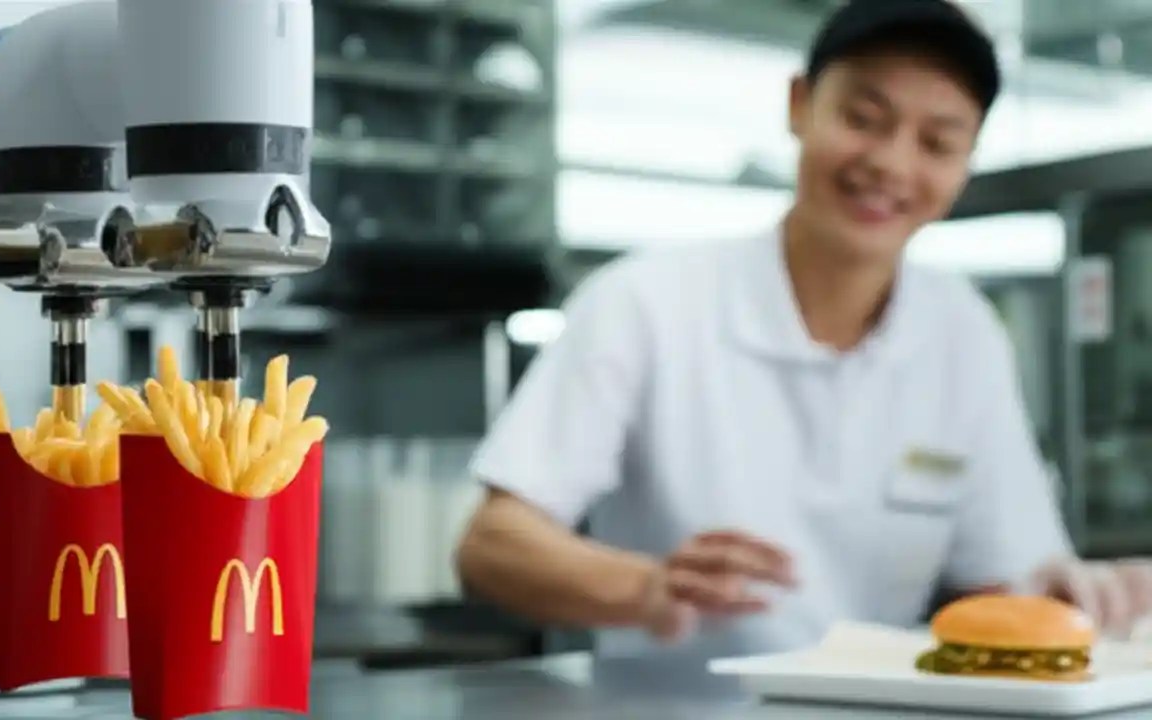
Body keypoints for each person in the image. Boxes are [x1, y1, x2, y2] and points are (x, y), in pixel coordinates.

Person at [454, 0, 1152, 660]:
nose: (891, 163)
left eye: (937, 142)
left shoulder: (963, 334)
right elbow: (492, 546)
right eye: (864, 117)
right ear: (799, 106)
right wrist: (648, 588)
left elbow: (1009, 576)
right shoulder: (645, 302)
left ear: (966, 163)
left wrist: (1070, 594)